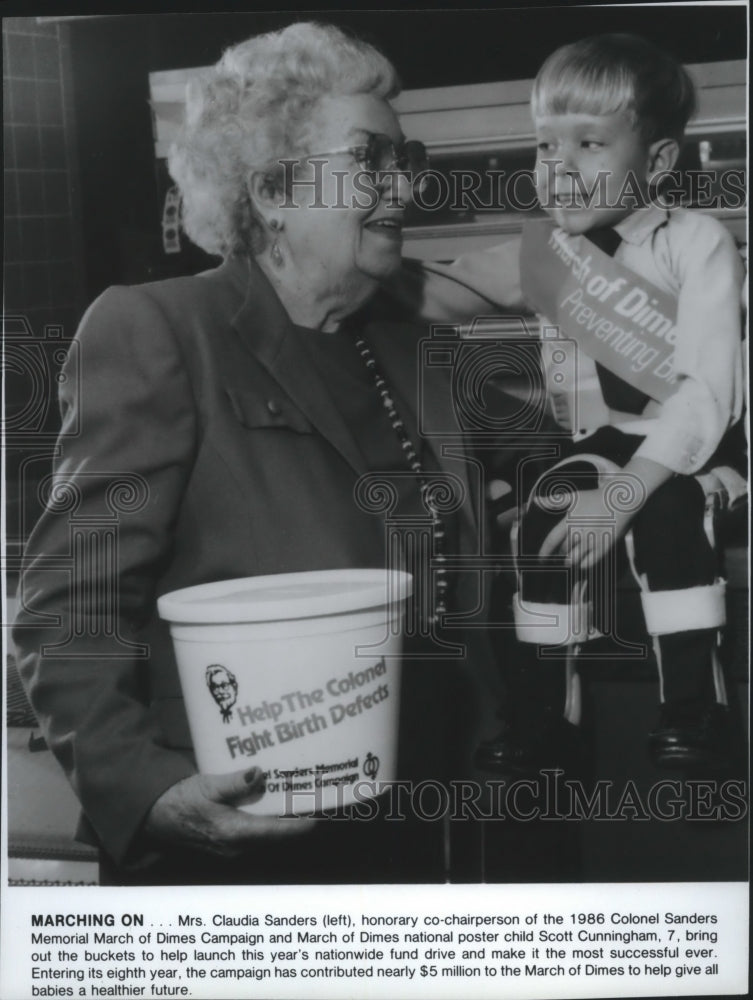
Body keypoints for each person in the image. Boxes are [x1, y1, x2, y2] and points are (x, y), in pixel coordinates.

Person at [13, 21, 525, 885]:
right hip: (240, 825)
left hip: (415, 810)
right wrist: (145, 788)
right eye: (369, 159)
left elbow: (546, 460)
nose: (405, 185)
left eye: (405, 159)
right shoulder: (163, 328)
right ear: (273, 190)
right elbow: (72, 601)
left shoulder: (406, 345)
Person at [472, 34, 746, 777]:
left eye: (589, 144)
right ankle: (547, 720)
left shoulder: (696, 244)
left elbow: (704, 397)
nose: (558, 168)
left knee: (668, 514)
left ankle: (695, 708)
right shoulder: (550, 252)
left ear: (657, 161)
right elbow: (434, 289)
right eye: (544, 145)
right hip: (598, 448)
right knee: (544, 509)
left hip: (694, 453)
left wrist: (623, 497)